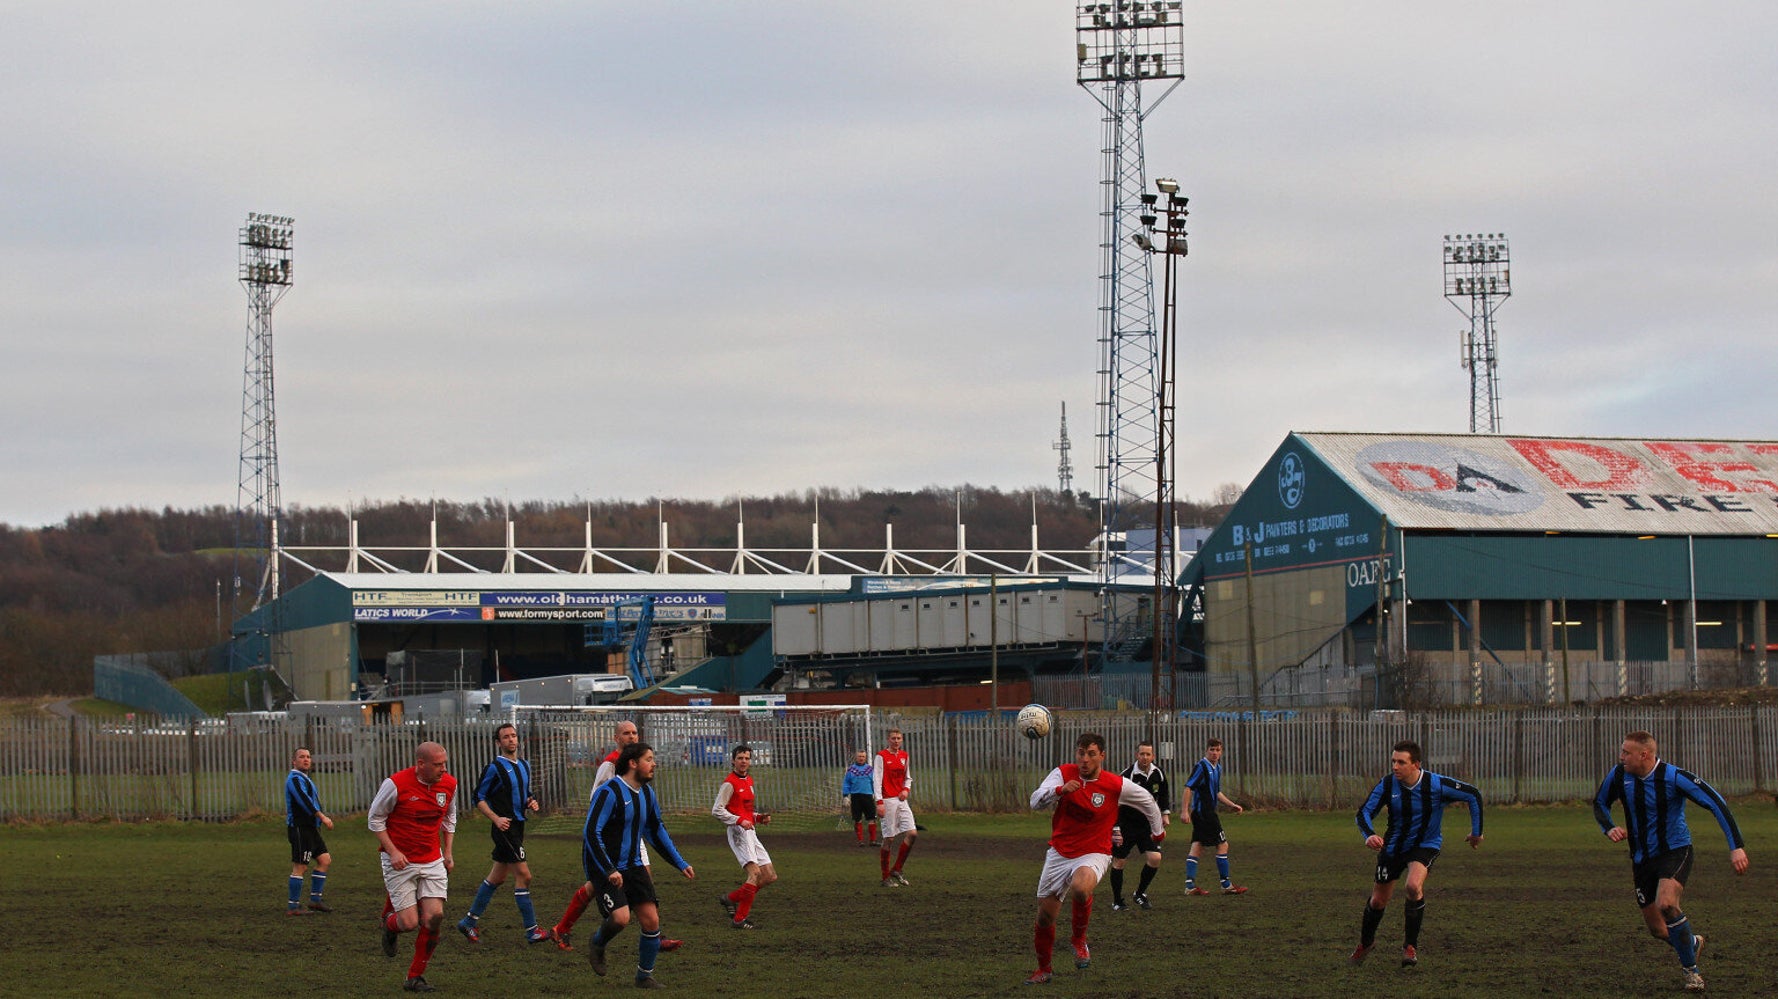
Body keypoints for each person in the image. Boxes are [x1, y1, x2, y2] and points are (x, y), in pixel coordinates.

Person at [1593, 730, 1749, 994]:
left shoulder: (1674, 776)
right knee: (1658, 929)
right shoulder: (1619, 775)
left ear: (1644, 754)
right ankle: (1692, 944)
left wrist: (1737, 847)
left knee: (1666, 903)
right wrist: (1609, 827)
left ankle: (1692, 973)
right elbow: (1599, 803)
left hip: (1675, 851)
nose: (1621, 757)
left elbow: (1716, 803)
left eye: (1626, 752)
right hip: (1642, 858)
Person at [1023, 731, 1164, 985]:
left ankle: (1079, 940)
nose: (1084, 759)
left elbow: (1147, 800)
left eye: (1090, 754)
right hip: (1059, 853)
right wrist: (1059, 790)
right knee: (1045, 917)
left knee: (1081, 886)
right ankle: (1044, 970)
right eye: (1081, 753)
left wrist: (1157, 831)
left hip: (1095, 851)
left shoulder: (1114, 784)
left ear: (1102, 756)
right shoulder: (1063, 773)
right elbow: (1035, 801)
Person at [1350, 739, 1483, 969]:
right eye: (1393, 761)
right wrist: (1369, 835)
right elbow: (1363, 813)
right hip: (1393, 848)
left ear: (1416, 764)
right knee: (1378, 901)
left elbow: (1473, 794)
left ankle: (1410, 947)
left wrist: (1476, 832)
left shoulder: (1436, 784)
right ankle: (1366, 943)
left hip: (1425, 845)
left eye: (1401, 762)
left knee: (1413, 886)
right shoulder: (1387, 784)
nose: (1395, 766)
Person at [552, 719, 681, 953]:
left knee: (640, 880)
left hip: (633, 832)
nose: (632, 736)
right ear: (616, 738)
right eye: (626, 733)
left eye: (634, 732)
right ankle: (564, 927)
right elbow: (597, 799)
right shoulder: (609, 765)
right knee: (600, 884)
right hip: (612, 837)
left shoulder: (641, 764)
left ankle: (653, 932)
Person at [581, 740, 696, 990]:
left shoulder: (647, 793)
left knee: (651, 921)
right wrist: (609, 869)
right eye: (649, 759)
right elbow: (591, 832)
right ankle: (598, 943)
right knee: (621, 918)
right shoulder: (609, 792)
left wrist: (679, 863)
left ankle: (644, 977)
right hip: (605, 866)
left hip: (633, 864)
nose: (654, 764)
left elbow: (656, 831)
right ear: (633, 763)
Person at [369, 741, 458, 994]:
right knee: (408, 923)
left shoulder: (449, 784)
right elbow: (375, 818)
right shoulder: (395, 784)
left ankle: (414, 977)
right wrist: (393, 851)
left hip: (432, 860)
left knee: (434, 917)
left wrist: (448, 853)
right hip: (400, 860)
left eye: (445, 764)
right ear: (421, 764)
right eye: (438, 765)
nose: (444, 769)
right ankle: (389, 926)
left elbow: (449, 817)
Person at [456, 722, 551, 945]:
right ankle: (532, 930)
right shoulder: (494, 768)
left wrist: (531, 802)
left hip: (518, 827)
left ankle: (468, 922)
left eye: (513, 736)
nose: (511, 739)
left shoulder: (524, 765)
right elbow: (478, 797)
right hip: (505, 829)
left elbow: (524, 794)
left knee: (497, 878)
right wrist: (496, 818)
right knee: (524, 876)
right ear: (498, 743)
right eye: (506, 737)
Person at [713, 744, 777, 929]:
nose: (743, 761)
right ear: (733, 760)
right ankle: (739, 919)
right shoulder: (729, 783)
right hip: (738, 832)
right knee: (755, 873)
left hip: (750, 831)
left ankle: (730, 898)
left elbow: (745, 811)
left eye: (747, 758)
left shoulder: (749, 781)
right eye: (740, 758)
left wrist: (759, 818)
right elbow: (717, 810)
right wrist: (739, 820)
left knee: (769, 876)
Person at [1181, 737, 1247, 896]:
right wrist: (1184, 811)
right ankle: (1226, 885)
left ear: (1221, 752)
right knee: (1223, 845)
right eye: (1212, 749)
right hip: (1204, 813)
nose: (1215, 753)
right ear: (1206, 750)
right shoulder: (1201, 767)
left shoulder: (1217, 768)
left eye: (1218, 750)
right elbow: (1188, 788)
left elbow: (1217, 792)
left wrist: (1232, 804)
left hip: (1206, 813)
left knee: (1197, 846)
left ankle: (1190, 886)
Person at [1109, 740, 1169, 911]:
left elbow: (1163, 794)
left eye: (1148, 754)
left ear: (1153, 756)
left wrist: (1164, 814)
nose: (1145, 757)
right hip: (1126, 825)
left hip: (1147, 826)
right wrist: (1116, 827)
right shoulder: (1127, 775)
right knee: (1119, 861)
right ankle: (1117, 901)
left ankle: (1140, 894)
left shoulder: (1158, 773)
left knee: (1155, 858)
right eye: (1142, 754)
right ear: (1137, 755)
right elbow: (1115, 802)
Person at [283, 747, 334, 915]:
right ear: (294, 761)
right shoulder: (294, 779)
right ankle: (293, 907)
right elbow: (304, 801)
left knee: (324, 860)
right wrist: (322, 816)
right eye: (302, 757)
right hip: (300, 828)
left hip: (311, 828)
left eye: (308, 757)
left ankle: (315, 900)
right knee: (300, 867)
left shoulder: (304, 779)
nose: (306, 759)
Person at [874, 727, 917, 887]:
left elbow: (908, 778)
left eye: (899, 738)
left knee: (912, 833)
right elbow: (876, 780)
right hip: (887, 801)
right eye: (893, 738)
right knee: (889, 838)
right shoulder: (881, 756)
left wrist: (906, 789)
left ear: (902, 740)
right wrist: (879, 802)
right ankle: (885, 877)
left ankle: (897, 869)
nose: (896, 741)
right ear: (888, 740)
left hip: (901, 800)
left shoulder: (904, 755)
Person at [842, 750, 878, 846]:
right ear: (856, 757)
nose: (861, 758)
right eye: (859, 756)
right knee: (857, 819)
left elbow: (875, 782)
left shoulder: (870, 769)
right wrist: (845, 796)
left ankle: (873, 841)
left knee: (871, 818)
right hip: (855, 797)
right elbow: (846, 783)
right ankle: (860, 841)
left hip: (868, 796)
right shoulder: (851, 770)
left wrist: (876, 794)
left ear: (865, 758)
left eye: (863, 756)